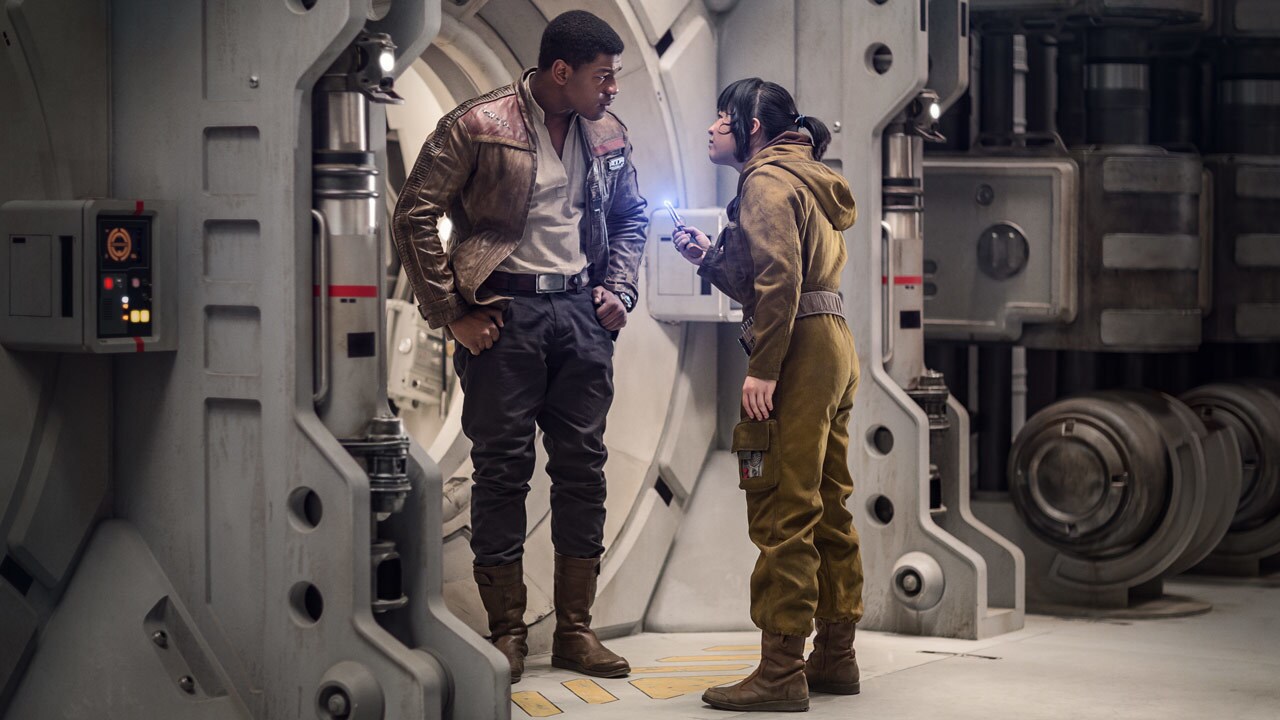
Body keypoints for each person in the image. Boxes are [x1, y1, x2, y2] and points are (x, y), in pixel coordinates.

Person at [390, 10, 647, 684]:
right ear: (562, 72)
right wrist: (452, 314)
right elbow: (414, 213)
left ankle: (576, 631)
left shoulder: (609, 133)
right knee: (502, 470)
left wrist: (620, 288)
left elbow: (631, 217)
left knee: (583, 470)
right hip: (505, 315)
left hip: (582, 315)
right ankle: (506, 633)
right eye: (603, 76)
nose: (612, 88)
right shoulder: (479, 125)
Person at [673, 78, 864, 712]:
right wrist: (710, 259)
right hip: (833, 342)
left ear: (751, 127)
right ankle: (835, 655)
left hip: (798, 349)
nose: (712, 128)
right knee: (828, 503)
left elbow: (780, 282)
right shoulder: (811, 177)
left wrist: (764, 368)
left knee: (783, 505)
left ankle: (781, 671)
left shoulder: (764, 181)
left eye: (721, 117)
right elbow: (782, 273)